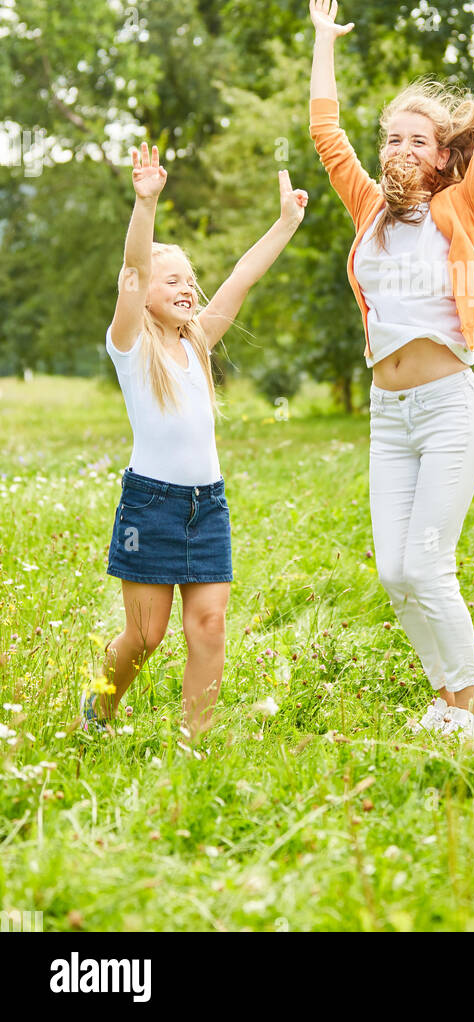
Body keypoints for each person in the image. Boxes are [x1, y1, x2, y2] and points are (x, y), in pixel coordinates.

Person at [308, 0, 474, 738]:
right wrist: (326, 41)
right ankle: (444, 697)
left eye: (415, 140)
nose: (398, 149)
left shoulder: (462, 207)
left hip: (450, 408)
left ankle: (472, 706)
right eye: (391, 137)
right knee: (394, 572)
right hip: (387, 415)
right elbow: (327, 133)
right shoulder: (367, 210)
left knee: (427, 564)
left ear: (442, 156)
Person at [82, 143, 307, 739]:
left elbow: (241, 277)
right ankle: (98, 709)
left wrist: (284, 224)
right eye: (171, 279)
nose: (186, 287)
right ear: (145, 292)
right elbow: (133, 270)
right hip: (150, 505)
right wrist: (145, 202)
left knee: (208, 626)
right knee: (145, 635)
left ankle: (195, 743)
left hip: (206, 505)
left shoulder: (197, 344)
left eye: (189, 279)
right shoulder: (130, 346)